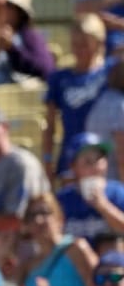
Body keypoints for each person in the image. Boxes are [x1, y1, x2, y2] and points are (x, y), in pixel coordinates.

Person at [19, 191, 97, 286]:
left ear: (59, 218)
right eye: (32, 216)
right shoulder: (28, 266)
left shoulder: (76, 249)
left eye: (45, 212)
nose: (38, 220)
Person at [42, 14, 108, 183]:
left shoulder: (110, 74)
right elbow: (49, 126)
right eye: (75, 45)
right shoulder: (59, 78)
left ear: (98, 42)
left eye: (85, 44)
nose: (79, 50)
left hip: (103, 157)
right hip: (70, 157)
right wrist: (48, 160)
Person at [57, 133, 124, 244]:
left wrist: (103, 206)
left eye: (99, 159)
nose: (95, 167)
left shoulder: (117, 192)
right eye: (88, 162)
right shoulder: (62, 199)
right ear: (73, 167)